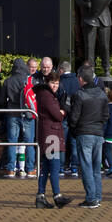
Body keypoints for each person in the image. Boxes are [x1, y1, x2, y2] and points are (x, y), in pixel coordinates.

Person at [68, 65, 109, 208]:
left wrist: (74, 130)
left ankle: (91, 198)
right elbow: (106, 115)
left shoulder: (79, 94)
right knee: (96, 167)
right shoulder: (102, 94)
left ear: (80, 78)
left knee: (86, 167)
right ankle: (97, 197)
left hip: (84, 133)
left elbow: (74, 117)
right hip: (98, 133)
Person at [34, 80, 70, 209]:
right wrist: (62, 112)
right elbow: (57, 116)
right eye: (53, 83)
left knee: (46, 167)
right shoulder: (47, 96)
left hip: (48, 134)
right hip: (52, 136)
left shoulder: (43, 94)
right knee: (54, 166)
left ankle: (41, 196)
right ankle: (57, 196)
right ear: (47, 83)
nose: (55, 86)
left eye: (57, 83)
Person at [0, 58, 29, 177]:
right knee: (28, 142)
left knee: (12, 141)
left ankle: (11, 169)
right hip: (26, 113)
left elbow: (1, 100)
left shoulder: (8, 81)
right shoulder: (28, 80)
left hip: (12, 113)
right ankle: (28, 168)